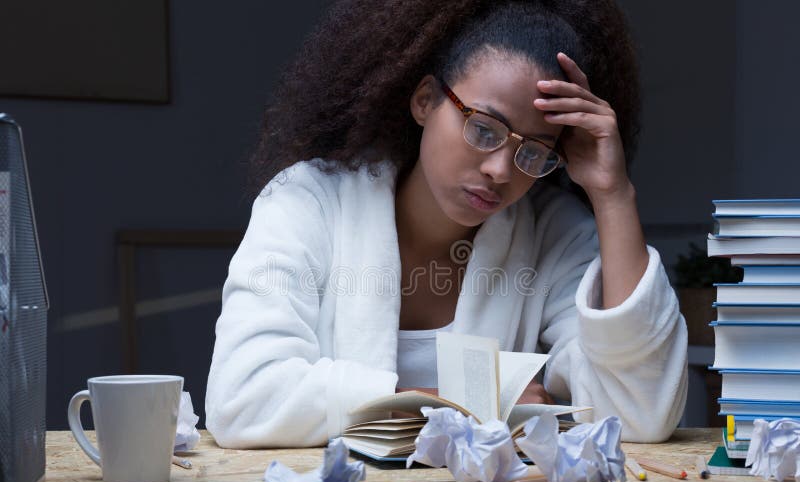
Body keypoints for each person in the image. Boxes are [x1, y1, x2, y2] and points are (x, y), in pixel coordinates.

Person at [205, 0, 688, 448]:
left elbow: (640, 412)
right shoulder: (307, 201)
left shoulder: (552, 235)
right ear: (424, 101)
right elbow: (243, 397)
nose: (501, 170)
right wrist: (466, 406)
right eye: (483, 128)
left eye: (533, 151)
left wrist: (613, 194)